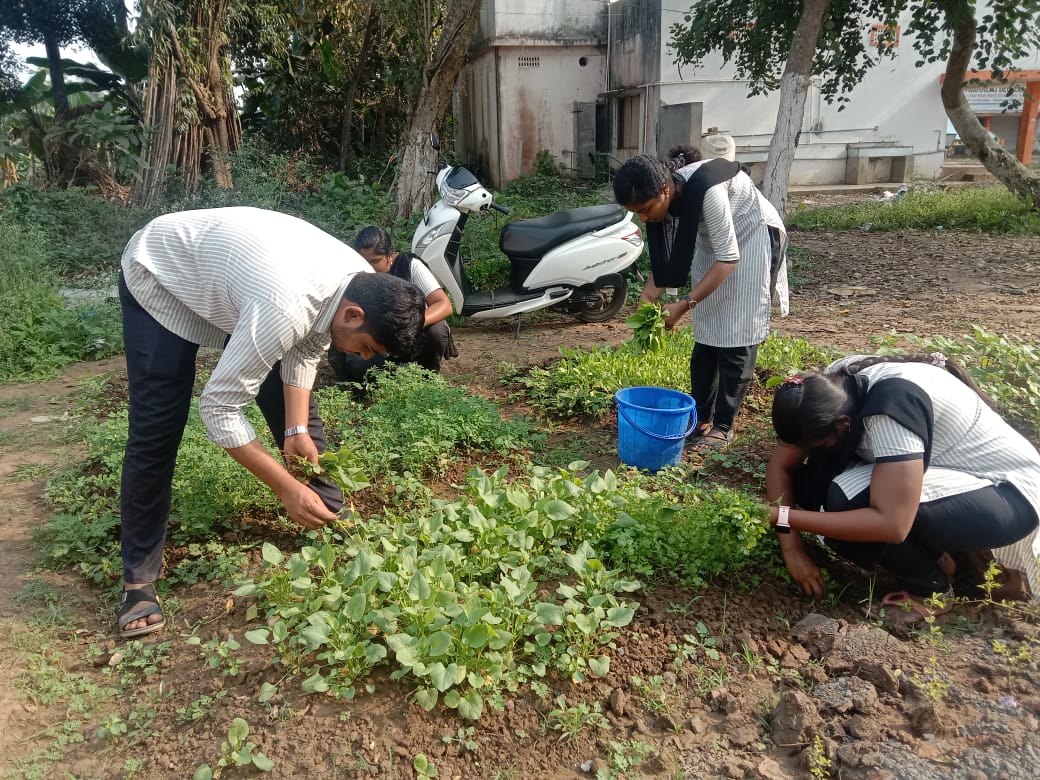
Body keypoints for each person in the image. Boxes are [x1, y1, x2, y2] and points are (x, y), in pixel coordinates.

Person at [116, 207, 426, 638]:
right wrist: (284, 487)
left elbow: (307, 347)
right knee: (158, 423)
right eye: (368, 347)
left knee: (297, 416)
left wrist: (295, 431)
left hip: (240, 284)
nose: (363, 357)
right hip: (162, 272)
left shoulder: (360, 280)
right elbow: (220, 408)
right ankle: (138, 581)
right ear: (354, 316)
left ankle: (327, 513)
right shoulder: (284, 308)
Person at [764, 353, 1040, 625]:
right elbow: (782, 467)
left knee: (847, 500)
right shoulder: (828, 391)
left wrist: (783, 518)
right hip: (951, 476)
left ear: (842, 425)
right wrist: (792, 548)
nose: (809, 452)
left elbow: (892, 524)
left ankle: (931, 590)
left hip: (1008, 493)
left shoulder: (888, 414)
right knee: (814, 485)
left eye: (815, 445)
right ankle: (941, 557)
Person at [613, 148, 788, 450]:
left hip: (752, 235)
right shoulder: (671, 195)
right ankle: (701, 416)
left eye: (645, 209)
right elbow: (671, 257)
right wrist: (647, 297)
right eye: (636, 212)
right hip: (717, 241)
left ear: (665, 190)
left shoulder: (709, 192)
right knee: (707, 332)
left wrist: (683, 305)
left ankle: (723, 425)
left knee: (737, 331)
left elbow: (729, 259)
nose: (643, 218)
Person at [328, 226, 457, 383]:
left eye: (375, 261)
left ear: (390, 257)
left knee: (436, 330)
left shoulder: (409, 265)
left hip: (407, 337)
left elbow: (443, 304)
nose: (369, 267)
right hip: (373, 343)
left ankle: (426, 377)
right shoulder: (353, 274)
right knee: (358, 368)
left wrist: (410, 323)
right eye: (364, 261)